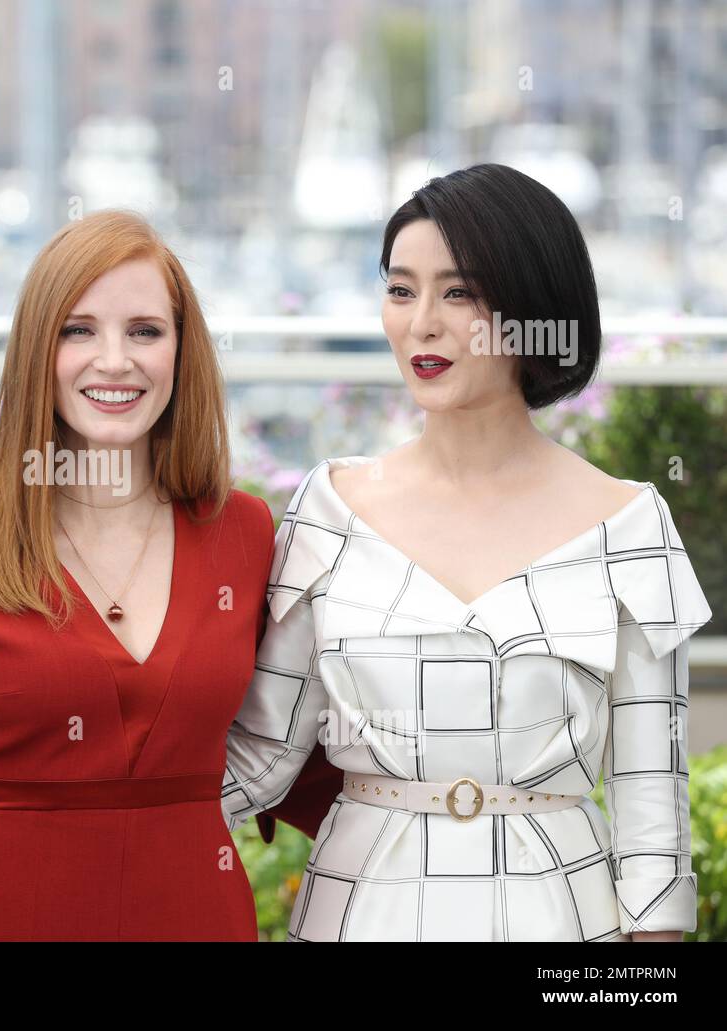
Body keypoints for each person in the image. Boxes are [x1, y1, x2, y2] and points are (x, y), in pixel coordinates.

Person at [0, 209, 343, 940]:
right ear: (35, 352)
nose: (115, 360)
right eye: (78, 330)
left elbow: (301, 743)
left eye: (145, 330)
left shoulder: (242, 530)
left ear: (182, 350)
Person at [223, 164, 712, 941]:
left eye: (459, 293)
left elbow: (654, 819)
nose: (422, 323)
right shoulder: (330, 507)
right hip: (358, 911)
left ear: (533, 308)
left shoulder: (631, 524)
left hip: (562, 922)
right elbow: (261, 756)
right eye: (400, 289)